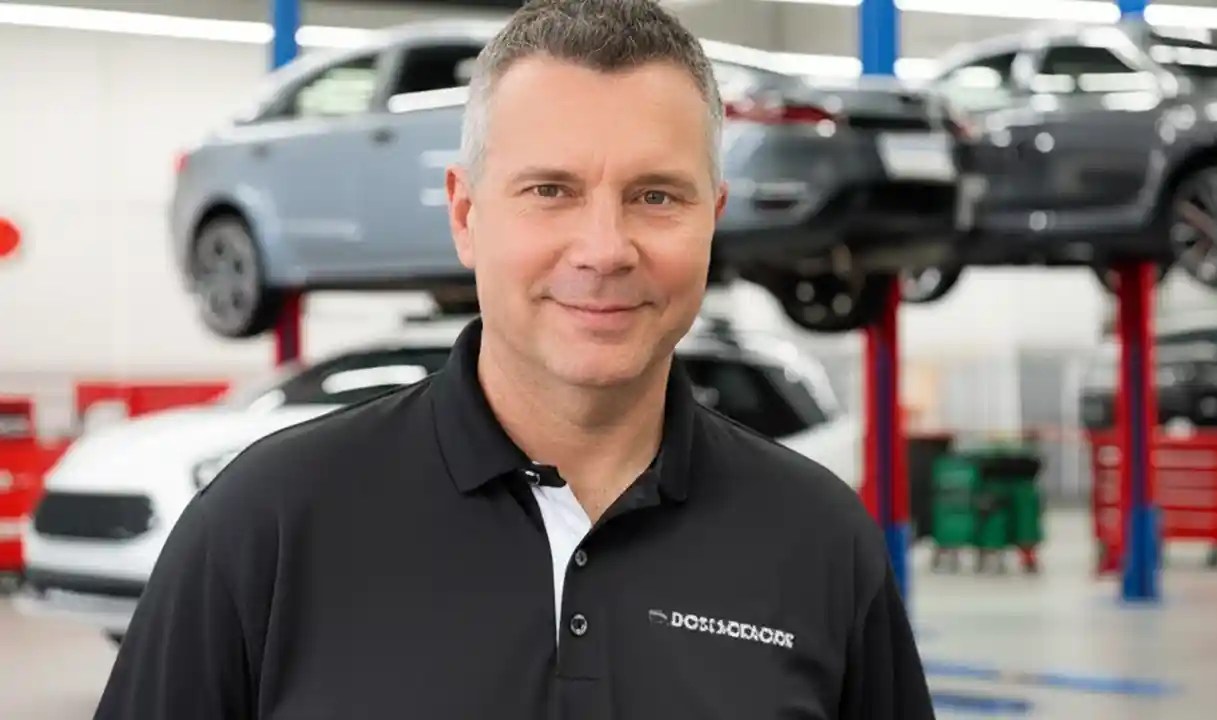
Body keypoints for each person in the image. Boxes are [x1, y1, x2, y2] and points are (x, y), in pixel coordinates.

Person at [94, 1, 934, 717]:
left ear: (712, 219)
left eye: (655, 197)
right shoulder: (267, 525)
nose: (605, 249)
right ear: (465, 213)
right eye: (550, 191)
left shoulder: (818, 542)